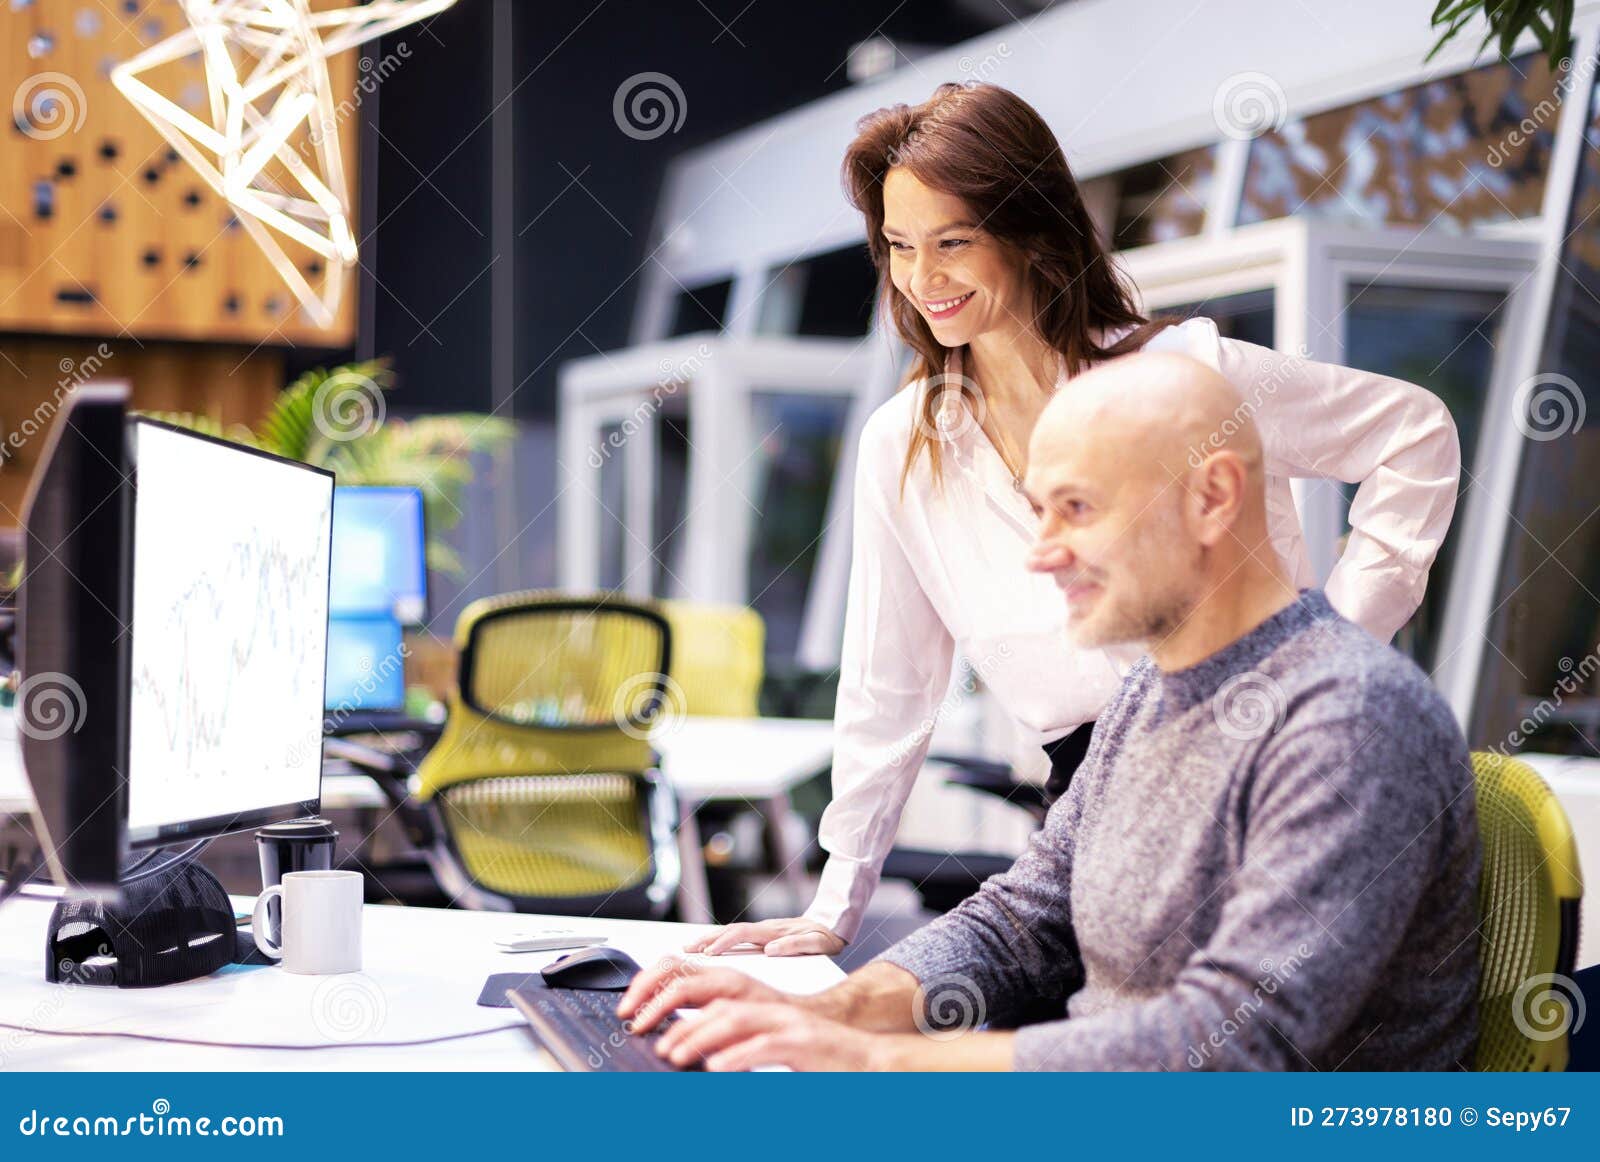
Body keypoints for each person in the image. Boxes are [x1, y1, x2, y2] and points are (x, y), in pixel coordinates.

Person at [690, 82, 1462, 959]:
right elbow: (888, 686)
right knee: (1038, 1012)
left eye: (953, 242)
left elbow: (1414, 433)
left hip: (1262, 762)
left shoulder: (1180, 378)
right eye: (900, 247)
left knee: (1218, 1023)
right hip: (1089, 812)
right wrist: (835, 905)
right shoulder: (903, 444)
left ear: (1030, 232)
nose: (923, 278)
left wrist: (1338, 643)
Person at [620, 351, 1481, 1071]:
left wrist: (872, 1060)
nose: (1041, 554)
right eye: (1039, 512)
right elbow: (1021, 923)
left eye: (1077, 509)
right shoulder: (1148, 694)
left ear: (1213, 497)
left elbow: (1232, 1047)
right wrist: (828, 1010)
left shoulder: (1352, 720)